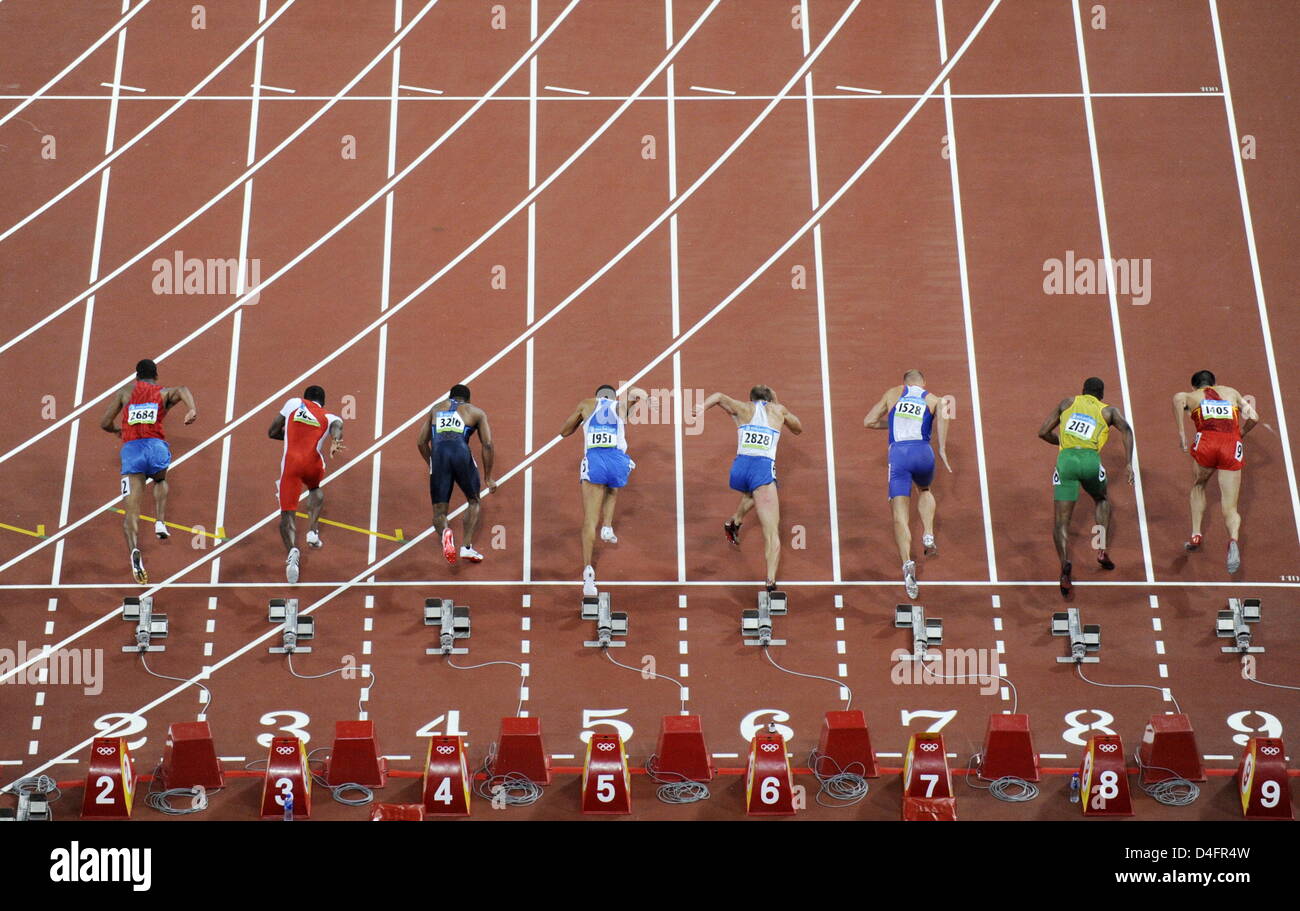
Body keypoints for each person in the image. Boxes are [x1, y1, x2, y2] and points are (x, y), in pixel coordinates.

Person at [99, 358, 197, 584]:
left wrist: (118, 430)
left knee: (131, 511)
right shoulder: (162, 393)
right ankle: (160, 520)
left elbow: (104, 422)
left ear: (136, 377)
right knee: (161, 480)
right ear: (156, 376)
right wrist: (191, 409)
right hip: (156, 448)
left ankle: (134, 550)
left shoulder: (125, 393)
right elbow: (182, 389)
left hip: (132, 451)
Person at [1038, 377, 1134, 598]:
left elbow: (1042, 432)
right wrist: (1128, 462)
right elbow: (1127, 430)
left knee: (1061, 522)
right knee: (1101, 499)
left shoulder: (1067, 403)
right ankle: (1100, 549)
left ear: (1083, 391)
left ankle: (1064, 566)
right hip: (1091, 460)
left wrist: (1062, 444)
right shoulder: (1108, 411)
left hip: (1066, 461)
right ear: (1101, 395)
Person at [699, 385, 802, 591]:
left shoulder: (743, 408)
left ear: (751, 398)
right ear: (771, 399)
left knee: (755, 492)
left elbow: (719, 395)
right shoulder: (778, 410)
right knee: (772, 532)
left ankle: (734, 521)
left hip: (740, 468)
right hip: (761, 471)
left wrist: (701, 407)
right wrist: (778, 404)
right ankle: (770, 580)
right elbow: (798, 428)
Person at [863, 369, 952, 599]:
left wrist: (891, 425)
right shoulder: (934, 399)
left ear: (903, 383)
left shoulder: (892, 394)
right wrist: (941, 449)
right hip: (924, 452)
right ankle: (929, 534)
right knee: (924, 489)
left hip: (899, 455)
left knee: (899, 515)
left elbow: (869, 422)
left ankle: (907, 565)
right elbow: (942, 425)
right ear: (924, 383)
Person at [559, 383, 649, 597]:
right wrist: (645, 398)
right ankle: (607, 526)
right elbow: (636, 392)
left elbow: (564, 432)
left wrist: (581, 420)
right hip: (617, 459)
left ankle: (588, 572)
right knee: (614, 482)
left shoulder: (587, 404)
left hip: (595, 459)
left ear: (597, 396)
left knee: (589, 520)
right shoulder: (620, 406)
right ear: (612, 396)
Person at [1171, 370, 1257, 573]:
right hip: (1231, 444)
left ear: (1194, 386)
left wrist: (1182, 435)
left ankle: (1196, 534)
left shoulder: (1188, 396)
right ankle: (1233, 539)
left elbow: (1177, 400)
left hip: (1207, 443)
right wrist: (1240, 434)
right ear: (1214, 382)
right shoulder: (1231, 392)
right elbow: (1254, 417)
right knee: (1230, 507)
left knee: (1199, 485)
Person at [268, 386, 344, 584]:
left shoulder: (294, 403)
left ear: (306, 398)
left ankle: (292, 551)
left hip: (291, 464)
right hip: (313, 463)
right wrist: (335, 440)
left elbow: (272, 431)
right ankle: (313, 530)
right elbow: (337, 427)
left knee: (287, 514)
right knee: (315, 489)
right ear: (323, 402)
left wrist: (287, 437)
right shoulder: (330, 417)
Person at [417, 384, 497, 565]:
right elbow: (488, 445)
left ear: (449, 397)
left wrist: (432, 463)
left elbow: (421, 442)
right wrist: (488, 477)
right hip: (461, 456)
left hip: (439, 458)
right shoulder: (476, 412)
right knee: (474, 500)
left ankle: (445, 531)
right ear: (468, 400)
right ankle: (466, 547)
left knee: (439, 512)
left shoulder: (436, 409)